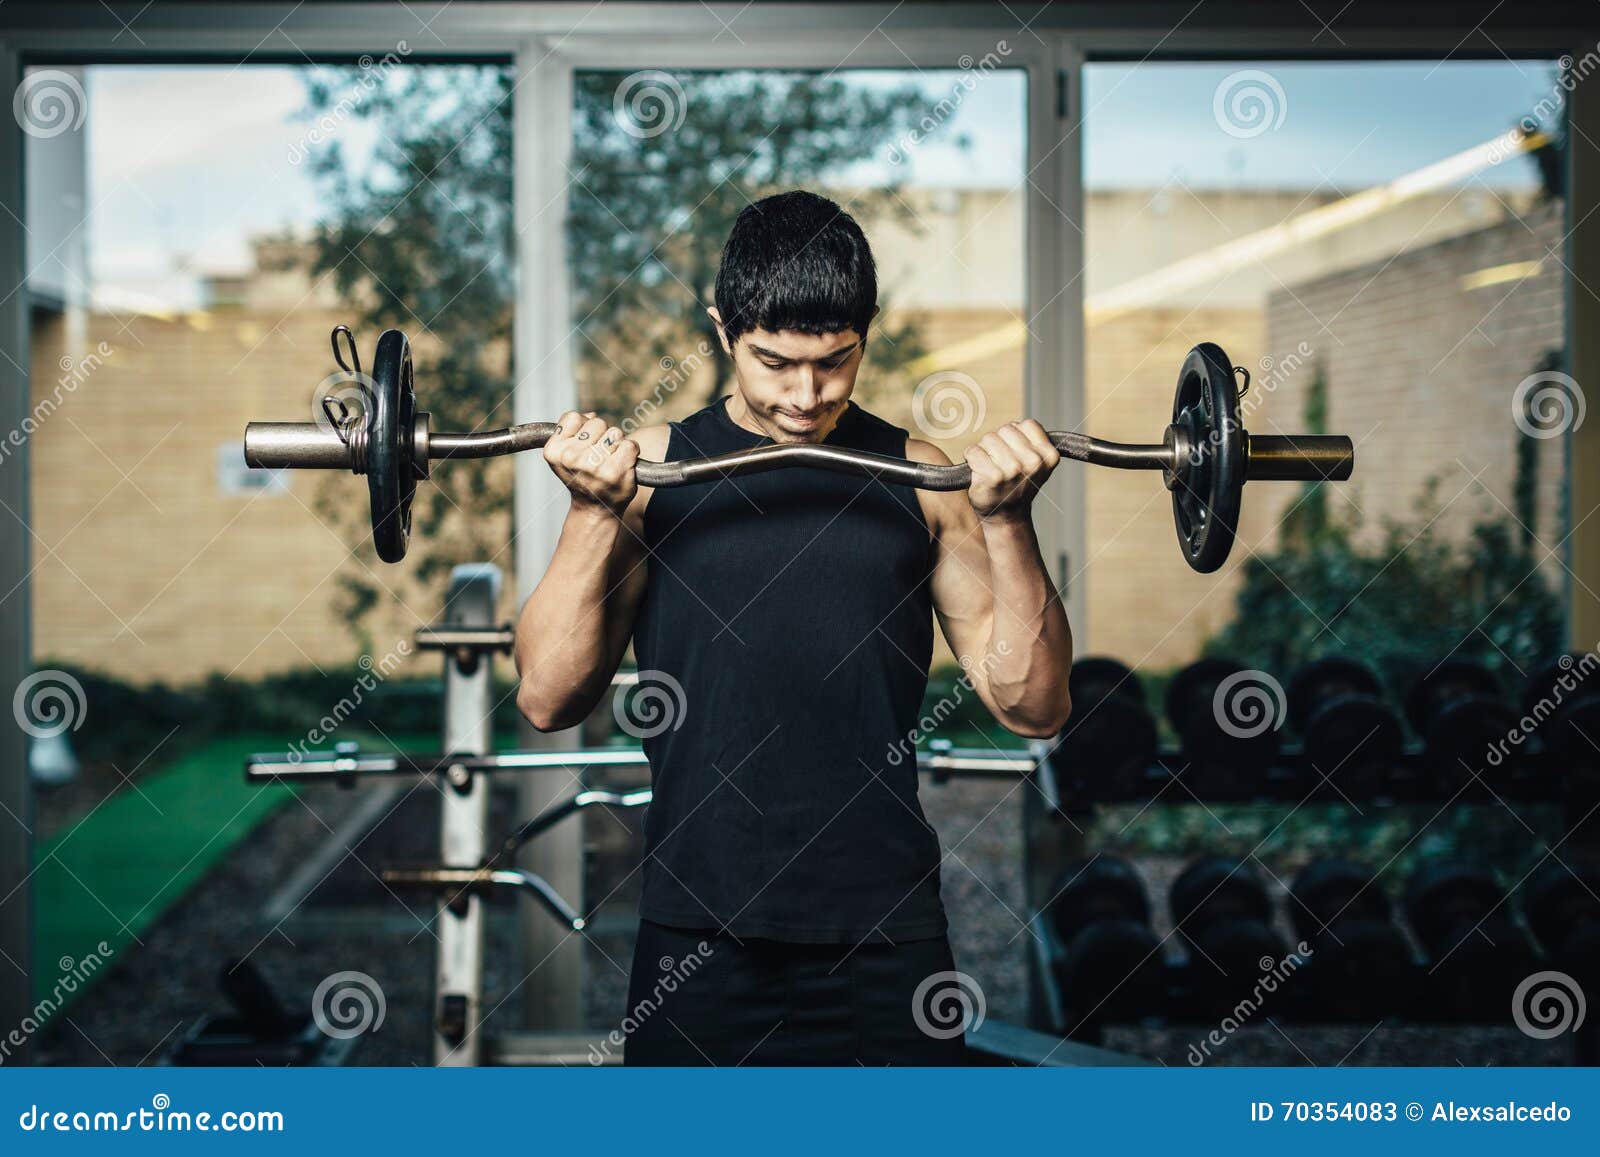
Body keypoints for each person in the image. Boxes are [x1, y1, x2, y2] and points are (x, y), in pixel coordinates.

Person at [514, 189, 1073, 1065]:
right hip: (698, 932)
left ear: (865, 333)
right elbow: (547, 695)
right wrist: (591, 512)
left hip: (887, 930)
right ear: (721, 329)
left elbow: (1033, 705)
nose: (807, 395)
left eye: (835, 361)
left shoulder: (923, 481)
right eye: (775, 363)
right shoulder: (649, 473)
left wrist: (1007, 522)